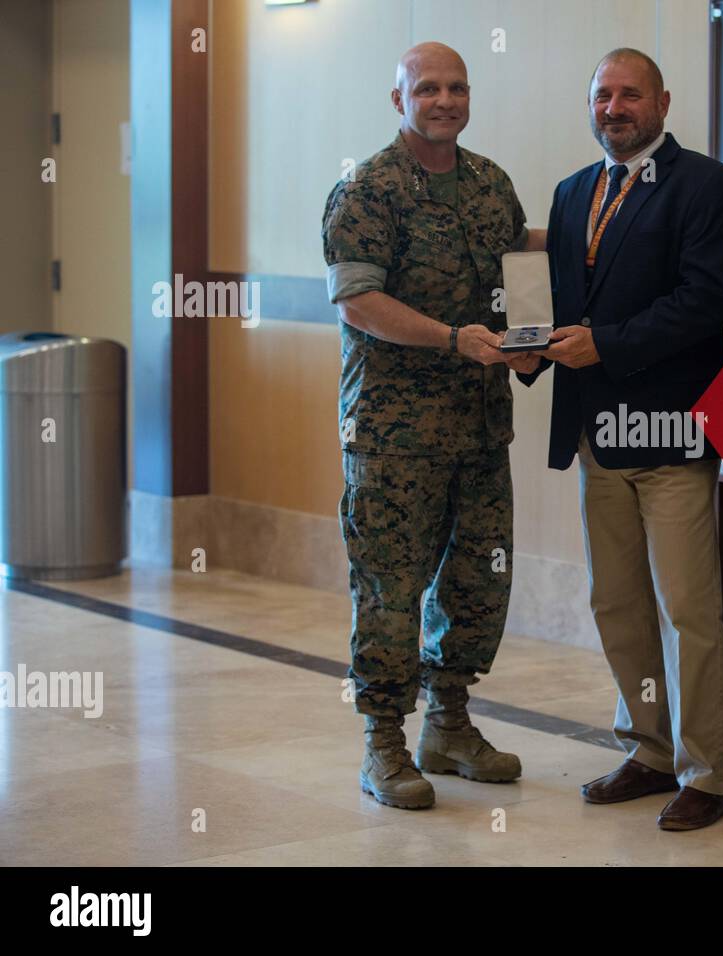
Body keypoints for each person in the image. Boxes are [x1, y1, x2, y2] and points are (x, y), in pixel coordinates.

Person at [518, 48, 723, 831]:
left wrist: (605, 344)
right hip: (594, 434)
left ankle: (708, 772)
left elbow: (702, 303)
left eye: (630, 95)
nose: (615, 107)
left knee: (690, 608)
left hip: (673, 432)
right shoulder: (574, 191)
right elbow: (556, 304)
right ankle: (648, 751)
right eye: (603, 95)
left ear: (663, 102)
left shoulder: (706, 185)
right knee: (616, 602)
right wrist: (527, 346)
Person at [321, 42, 543, 810]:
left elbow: (521, 280)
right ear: (399, 100)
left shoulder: (490, 185)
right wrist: (452, 338)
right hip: (394, 434)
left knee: (478, 582)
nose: (443, 100)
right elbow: (358, 301)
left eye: (456, 87)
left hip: (481, 428)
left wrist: (533, 345)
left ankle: (448, 725)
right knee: (390, 588)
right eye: (426, 89)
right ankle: (383, 742)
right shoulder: (368, 187)